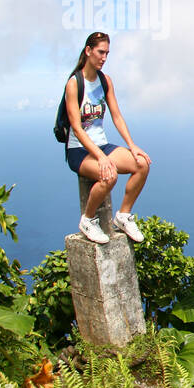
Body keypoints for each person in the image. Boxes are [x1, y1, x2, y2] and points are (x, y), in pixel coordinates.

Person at [64, 31, 152, 244]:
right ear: (88, 51)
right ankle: (87, 219)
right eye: (100, 52)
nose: (104, 58)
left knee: (142, 164)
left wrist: (132, 145)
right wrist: (101, 158)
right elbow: (76, 128)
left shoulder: (105, 81)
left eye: (107, 53)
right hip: (79, 150)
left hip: (101, 145)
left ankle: (123, 216)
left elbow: (117, 116)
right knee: (109, 175)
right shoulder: (74, 84)